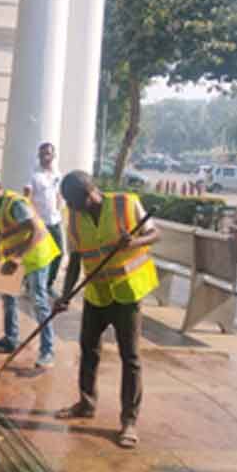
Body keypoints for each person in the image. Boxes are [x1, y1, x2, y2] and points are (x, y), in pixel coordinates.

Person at [52, 170, 161, 449]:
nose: (72, 209)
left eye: (75, 202)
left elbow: (155, 234)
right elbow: (75, 258)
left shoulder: (126, 203)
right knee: (88, 349)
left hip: (127, 293)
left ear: (90, 193)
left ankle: (129, 421)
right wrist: (64, 296)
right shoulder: (75, 217)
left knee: (131, 357)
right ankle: (86, 403)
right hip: (96, 294)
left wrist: (133, 242)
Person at [0, 173, 59, 369]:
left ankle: (48, 351)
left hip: (35, 257)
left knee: (39, 301)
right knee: (7, 296)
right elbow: (1, 238)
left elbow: (38, 231)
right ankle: (10, 339)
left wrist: (19, 257)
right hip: (13, 258)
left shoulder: (16, 203)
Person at [24, 142, 65, 298]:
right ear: (39, 156)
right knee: (38, 256)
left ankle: (48, 284)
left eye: (48, 154)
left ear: (53, 156)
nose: (45, 157)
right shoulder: (34, 175)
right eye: (42, 154)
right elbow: (26, 196)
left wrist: (59, 207)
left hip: (55, 221)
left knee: (59, 253)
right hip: (39, 223)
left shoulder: (57, 174)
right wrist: (32, 217)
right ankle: (30, 284)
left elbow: (59, 193)